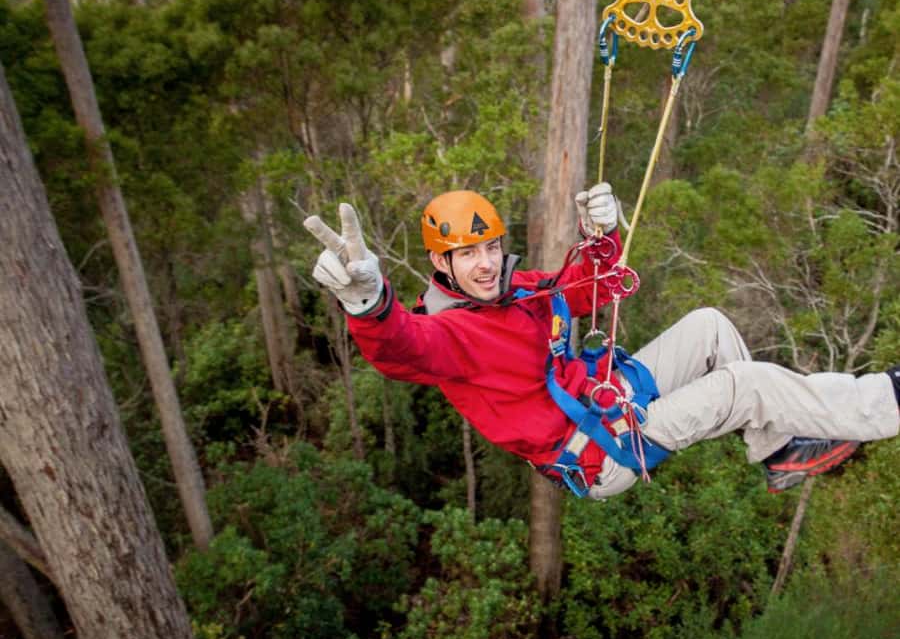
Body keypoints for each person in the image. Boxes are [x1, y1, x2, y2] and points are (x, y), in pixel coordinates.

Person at [304, 187, 900, 500]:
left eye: (489, 248)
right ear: (440, 262)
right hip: (596, 454)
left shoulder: (520, 290)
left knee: (712, 324)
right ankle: (888, 401)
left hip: (610, 399)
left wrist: (604, 237)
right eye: (467, 254)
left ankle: (777, 453)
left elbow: (587, 291)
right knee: (747, 385)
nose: (485, 265)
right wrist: (368, 303)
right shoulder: (447, 335)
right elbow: (400, 348)